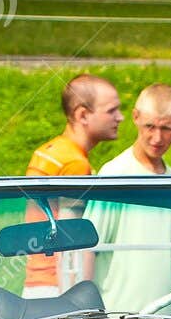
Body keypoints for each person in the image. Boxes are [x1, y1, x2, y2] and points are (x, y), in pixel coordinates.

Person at [82, 83, 171, 311]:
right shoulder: (115, 176)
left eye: (167, 129)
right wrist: (86, 313)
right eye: (149, 126)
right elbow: (88, 248)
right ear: (135, 117)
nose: (157, 138)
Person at [23, 74, 122, 296]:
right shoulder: (75, 164)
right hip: (58, 287)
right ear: (83, 115)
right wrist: (77, 296)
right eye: (111, 111)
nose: (120, 118)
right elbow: (71, 248)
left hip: (35, 281)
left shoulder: (48, 152)